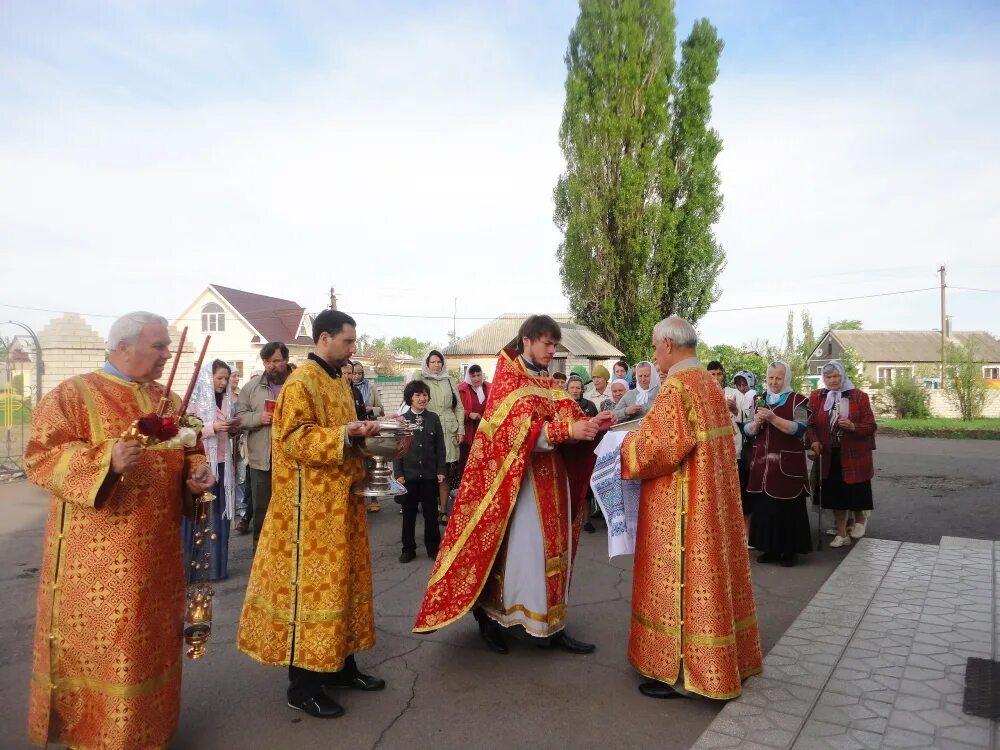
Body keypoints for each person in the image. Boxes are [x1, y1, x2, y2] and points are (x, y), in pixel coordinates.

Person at [23, 311, 214, 749]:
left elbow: (191, 451)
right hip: (97, 561)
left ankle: (151, 734)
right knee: (110, 647)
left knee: (153, 644)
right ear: (123, 347)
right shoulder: (74, 394)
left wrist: (197, 474)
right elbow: (41, 455)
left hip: (160, 554)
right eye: (159, 346)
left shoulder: (168, 399)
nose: (167, 355)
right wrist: (105, 459)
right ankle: (100, 737)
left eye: (168, 346)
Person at [414, 315, 613, 655]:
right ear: (527, 341)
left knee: (552, 556)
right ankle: (490, 619)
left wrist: (592, 423)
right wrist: (566, 431)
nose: (552, 351)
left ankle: (552, 624)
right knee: (518, 555)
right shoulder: (509, 380)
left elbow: (568, 415)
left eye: (555, 345)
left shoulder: (546, 380)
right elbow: (511, 432)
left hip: (553, 482)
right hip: (518, 486)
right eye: (547, 344)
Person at [238, 310, 385, 719]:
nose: (353, 349)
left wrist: (363, 432)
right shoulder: (301, 382)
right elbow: (292, 439)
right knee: (312, 594)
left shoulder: (337, 380)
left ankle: (341, 669)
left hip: (342, 503)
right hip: (310, 514)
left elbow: (344, 431)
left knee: (345, 587)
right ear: (323, 338)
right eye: (347, 341)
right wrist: (345, 435)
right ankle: (302, 688)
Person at [619, 316, 762, 700]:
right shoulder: (709, 385)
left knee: (682, 584)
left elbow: (658, 450)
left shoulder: (677, 386)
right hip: (711, 504)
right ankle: (722, 664)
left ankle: (682, 673)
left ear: (667, 344)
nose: (654, 356)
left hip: (682, 509)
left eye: (655, 347)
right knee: (711, 583)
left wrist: (623, 446)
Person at [745, 361, 812, 567]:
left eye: (778, 378)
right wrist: (755, 425)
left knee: (787, 508)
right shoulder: (759, 399)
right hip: (763, 464)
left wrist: (773, 418)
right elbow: (747, 429)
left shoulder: (800, 401)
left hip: (787, 465)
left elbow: (800, 429)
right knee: (764, 507)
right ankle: (769, 548)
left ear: (786, 379)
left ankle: (789, 551)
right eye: (771, 378)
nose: (774, 382)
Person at [807, 361, 876, 548]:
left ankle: (860, 519)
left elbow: (871, 426)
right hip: (830, 454)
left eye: (836, 376)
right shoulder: (817, 397)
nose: (833, 380)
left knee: (855, 491)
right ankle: (841, 533)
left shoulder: (858, 396)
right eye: (828, 377)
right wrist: (814, 442)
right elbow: (811, 424)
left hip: (854, 454)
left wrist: (853, 426)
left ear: (843, 376)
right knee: (835, 494)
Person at [183, 359, 237, 580]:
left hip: (223, 464)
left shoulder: (227, 400)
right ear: (208, 378)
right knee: (203, 515)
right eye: (219, 378)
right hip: (203, 465)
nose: (223, 382)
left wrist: (233, 427)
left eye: (226, 378)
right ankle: (197, 569)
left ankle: (216, 569)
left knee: (219, 516)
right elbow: (186, 432)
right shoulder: (194, 402)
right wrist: (211, 427)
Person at [237, 341, 291, 551]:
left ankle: (289, 556)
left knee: (291, 510)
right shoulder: (251, 388)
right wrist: (258, 418)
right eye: (267, 362)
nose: (271, 366)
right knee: (262, 511)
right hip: (262, 461)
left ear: (286, 360)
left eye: (276, 361)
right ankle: (259, 554)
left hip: (293, 458)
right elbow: (239, 418)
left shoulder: (299, 384)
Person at [393, 380, 446, 563]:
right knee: (409, 514)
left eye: (424, 395)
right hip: (409, 476)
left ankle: (433, 548)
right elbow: (397, 450)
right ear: (410, 398)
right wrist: (398, 473)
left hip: (430, 475)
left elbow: (440, 447)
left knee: (431, 514)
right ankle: (408, 549)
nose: (422, 398)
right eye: (417, 395)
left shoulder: (433, 418)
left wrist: (441, 469)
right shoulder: (403, 420)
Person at [413, 350, 464, 524]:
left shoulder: (449, 381)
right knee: (428, 469)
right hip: (428, 427)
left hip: (449, 429)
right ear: (427, 363)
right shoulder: (421, 379)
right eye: (432, 362)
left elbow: (459, 407)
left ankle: (443, 510)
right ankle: (430, 507)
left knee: (445, 471)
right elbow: (412, 398)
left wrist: (460, 429)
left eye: (439, 362)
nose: (436, 365)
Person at [732, 371, 759, 544]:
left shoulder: (755, 397)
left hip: (752, 451)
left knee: (750, 492)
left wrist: (736, 411)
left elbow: (750, 421)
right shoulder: (734, 396)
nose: (742, 388)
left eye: (745, 384)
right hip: (738, 452)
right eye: (739, 385)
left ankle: (751, 534)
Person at [457, 364, 490, 478]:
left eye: (478, 375)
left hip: (485, 433)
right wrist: (468, 414)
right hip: (468, 434)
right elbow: (454, 410)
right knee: (467, 465)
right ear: (468, 376)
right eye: (473, 376)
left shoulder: (489, 388)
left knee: (484, 466)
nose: (476, 378)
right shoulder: (461, 390)